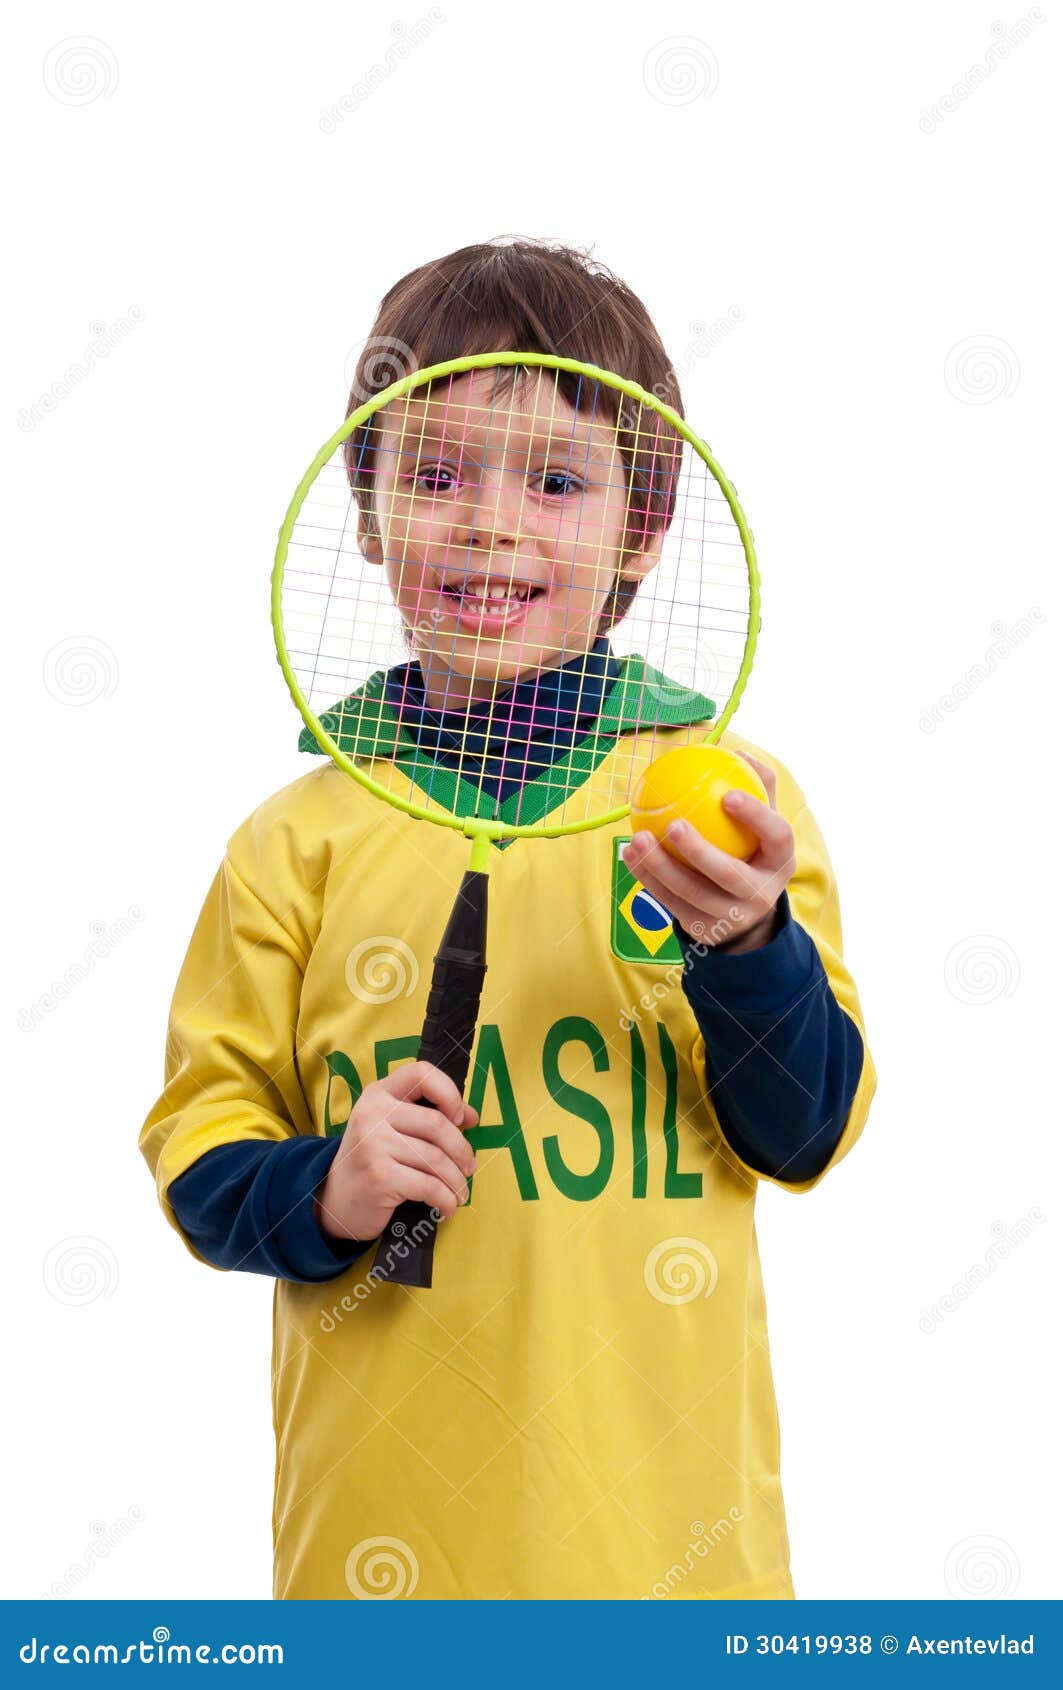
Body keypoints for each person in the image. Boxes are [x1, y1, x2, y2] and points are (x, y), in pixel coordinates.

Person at [140, 238, 876, 1600]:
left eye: (554, 480)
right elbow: (198, 1154)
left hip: (674, 1570)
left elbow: (806, 1127)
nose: (489, 522)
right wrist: (327, 1187)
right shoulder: (290, 844)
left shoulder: (725, 811)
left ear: (643, 531)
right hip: (381, 1569)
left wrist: (746, 949)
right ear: (365, 520)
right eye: (431, 476)